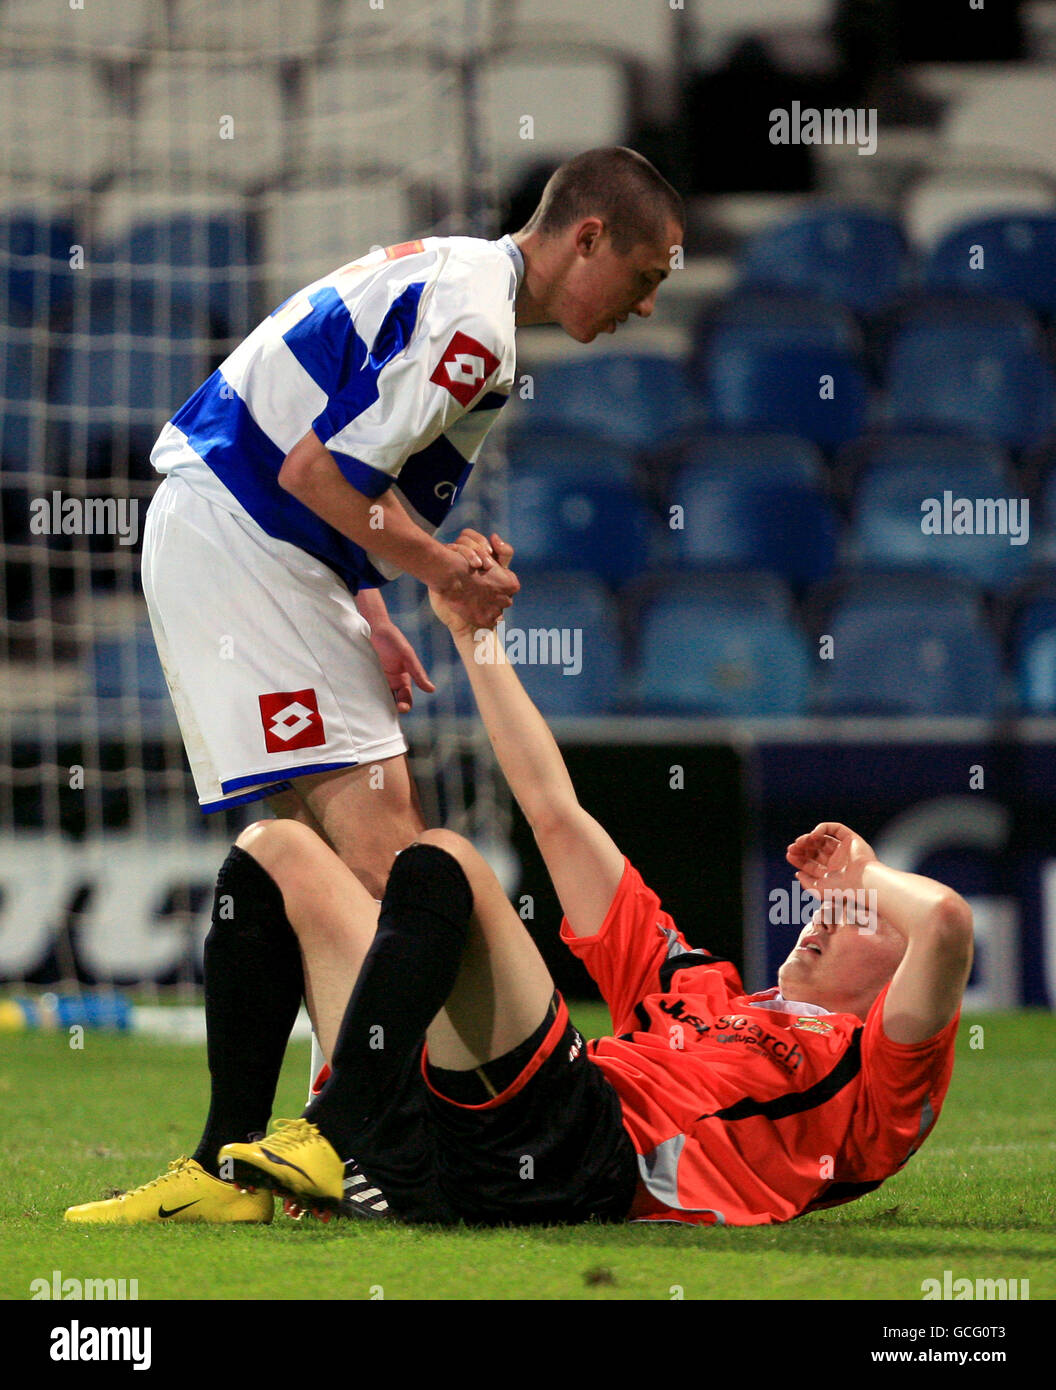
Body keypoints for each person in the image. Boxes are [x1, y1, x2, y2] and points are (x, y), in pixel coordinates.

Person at [67, 541, 974, 1228]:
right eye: (833, 903)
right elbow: (554, 813)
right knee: (276, 849)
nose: (826, 916)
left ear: (898, 990)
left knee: (446, 860)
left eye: (857, 917)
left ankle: (328, 1135)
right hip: (460, 1142)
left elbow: (943, 922)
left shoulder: (872, 1079)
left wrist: (869, 869)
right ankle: (226, 1172)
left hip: (581, 1158)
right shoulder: (696, 986)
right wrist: (476, 638)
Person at [140, 146, 685, 899]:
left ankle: (341, 1022)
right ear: (587, 239)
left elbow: (345, 457)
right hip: (246, 537)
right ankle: (389, 1025)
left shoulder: (458, 273)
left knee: (314, 868)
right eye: (647, 277)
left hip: (229, 532)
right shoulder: (477, 325)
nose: (648, 305)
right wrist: (446, 572)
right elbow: (316, 471)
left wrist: (369, 608)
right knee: (388, 858)